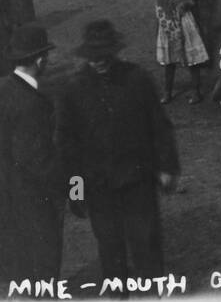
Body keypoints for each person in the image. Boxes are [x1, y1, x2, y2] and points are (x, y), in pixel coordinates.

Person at [57, 20, 180, 286]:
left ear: (114, 51)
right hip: (99, 186)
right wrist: (75, 192)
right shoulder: (73, 90)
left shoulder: (137, 79)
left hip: (137, 180)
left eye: (104, 56)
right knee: (110, 247)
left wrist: (167, 167)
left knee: (146, 242)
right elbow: (67, 145)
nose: (99, 62)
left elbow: (158, 125)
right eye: (93, 57)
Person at [0, 24, 65, 286]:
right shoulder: (33, 104)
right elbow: (35, 160)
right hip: (31, 197)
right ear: (40, 60)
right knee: (43, 258)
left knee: (17, 261)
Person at [155, 0, 210, 104]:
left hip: (184, 20)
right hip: (167, 22)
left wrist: (183, 5)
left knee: (191, 58)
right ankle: (167, 92)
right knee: (169, 60)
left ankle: (196, 91)